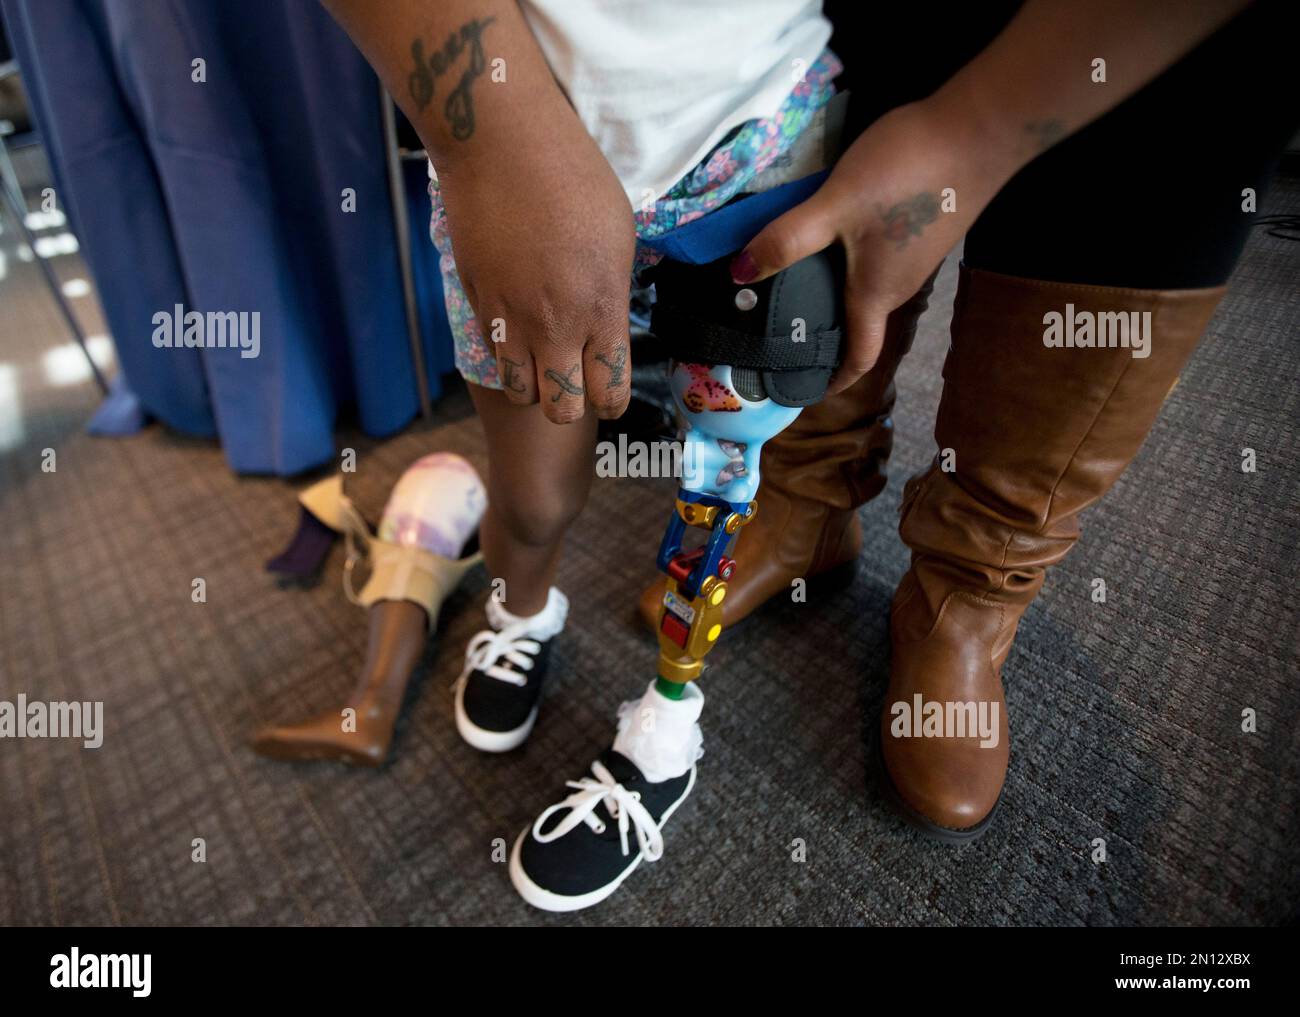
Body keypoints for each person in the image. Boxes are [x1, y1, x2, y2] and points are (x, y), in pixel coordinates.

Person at [320, 0, 1295, 909]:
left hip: (755, 153)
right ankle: (531, 605)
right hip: (520, 146)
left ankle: (694, 715)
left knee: (721, 488)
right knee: (536, 492)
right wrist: (489, 138)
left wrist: (972, 130)